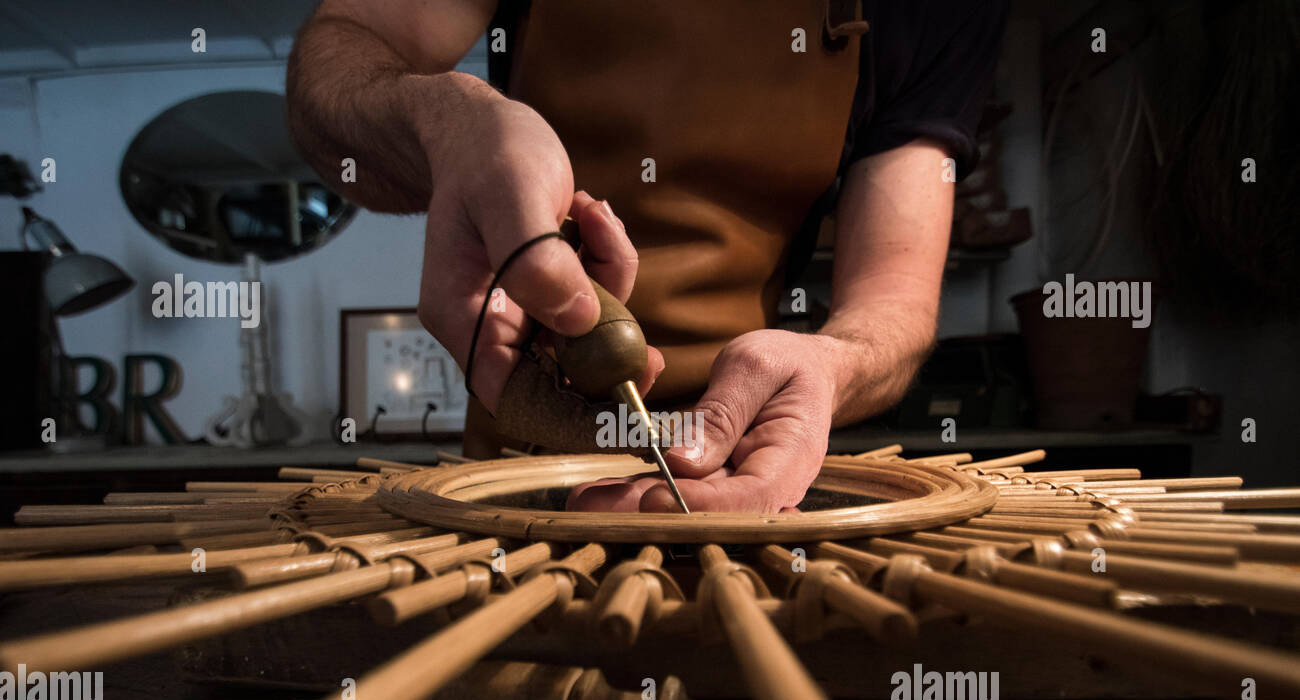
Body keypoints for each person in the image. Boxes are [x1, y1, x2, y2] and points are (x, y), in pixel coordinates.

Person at [287, 0, 1009, 512]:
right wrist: (444, 122)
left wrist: (836, 365)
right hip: (517, 465)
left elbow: (894, 301)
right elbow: (337, 65)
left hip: (744, 480)